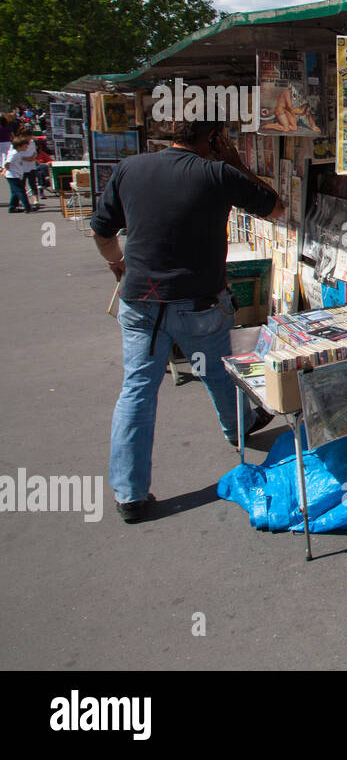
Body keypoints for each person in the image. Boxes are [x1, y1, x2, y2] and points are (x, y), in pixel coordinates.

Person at [91, 117, 284, 522]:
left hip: (140, 304)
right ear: (212, 139)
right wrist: (236, 164)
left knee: (137, 391)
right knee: (217, 372)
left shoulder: (131, 168)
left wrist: (118, 264)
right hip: (199, 305)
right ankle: (237, 429)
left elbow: (102, 230)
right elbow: (277, 206)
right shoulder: (217, 173)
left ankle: (129, 495)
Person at [4, 136, 37, 213]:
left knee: (15, 192)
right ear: (19, 146)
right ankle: (27, 207)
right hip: (13, 175)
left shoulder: (17, 153)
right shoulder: (14, 153)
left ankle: (12, 207)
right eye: (25, 146)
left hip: (16, 175)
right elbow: (7, 163)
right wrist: (7, 170)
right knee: (21, 191)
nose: (27, 147)